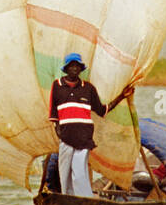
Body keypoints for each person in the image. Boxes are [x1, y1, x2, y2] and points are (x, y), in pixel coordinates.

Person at [48, 52, 131, 197]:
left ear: (81, 69)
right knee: (64, 172)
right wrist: (59, 132)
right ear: (66, 69)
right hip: (66, 137)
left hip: (84, 137)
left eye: (77, 66)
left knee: (79, 172)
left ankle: (84, 199)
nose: (75, 69)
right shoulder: (57, 86)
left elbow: (102, 110)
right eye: (72, 66)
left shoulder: (88, 88)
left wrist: (122, 96)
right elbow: (53, 114)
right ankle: (67, 198)